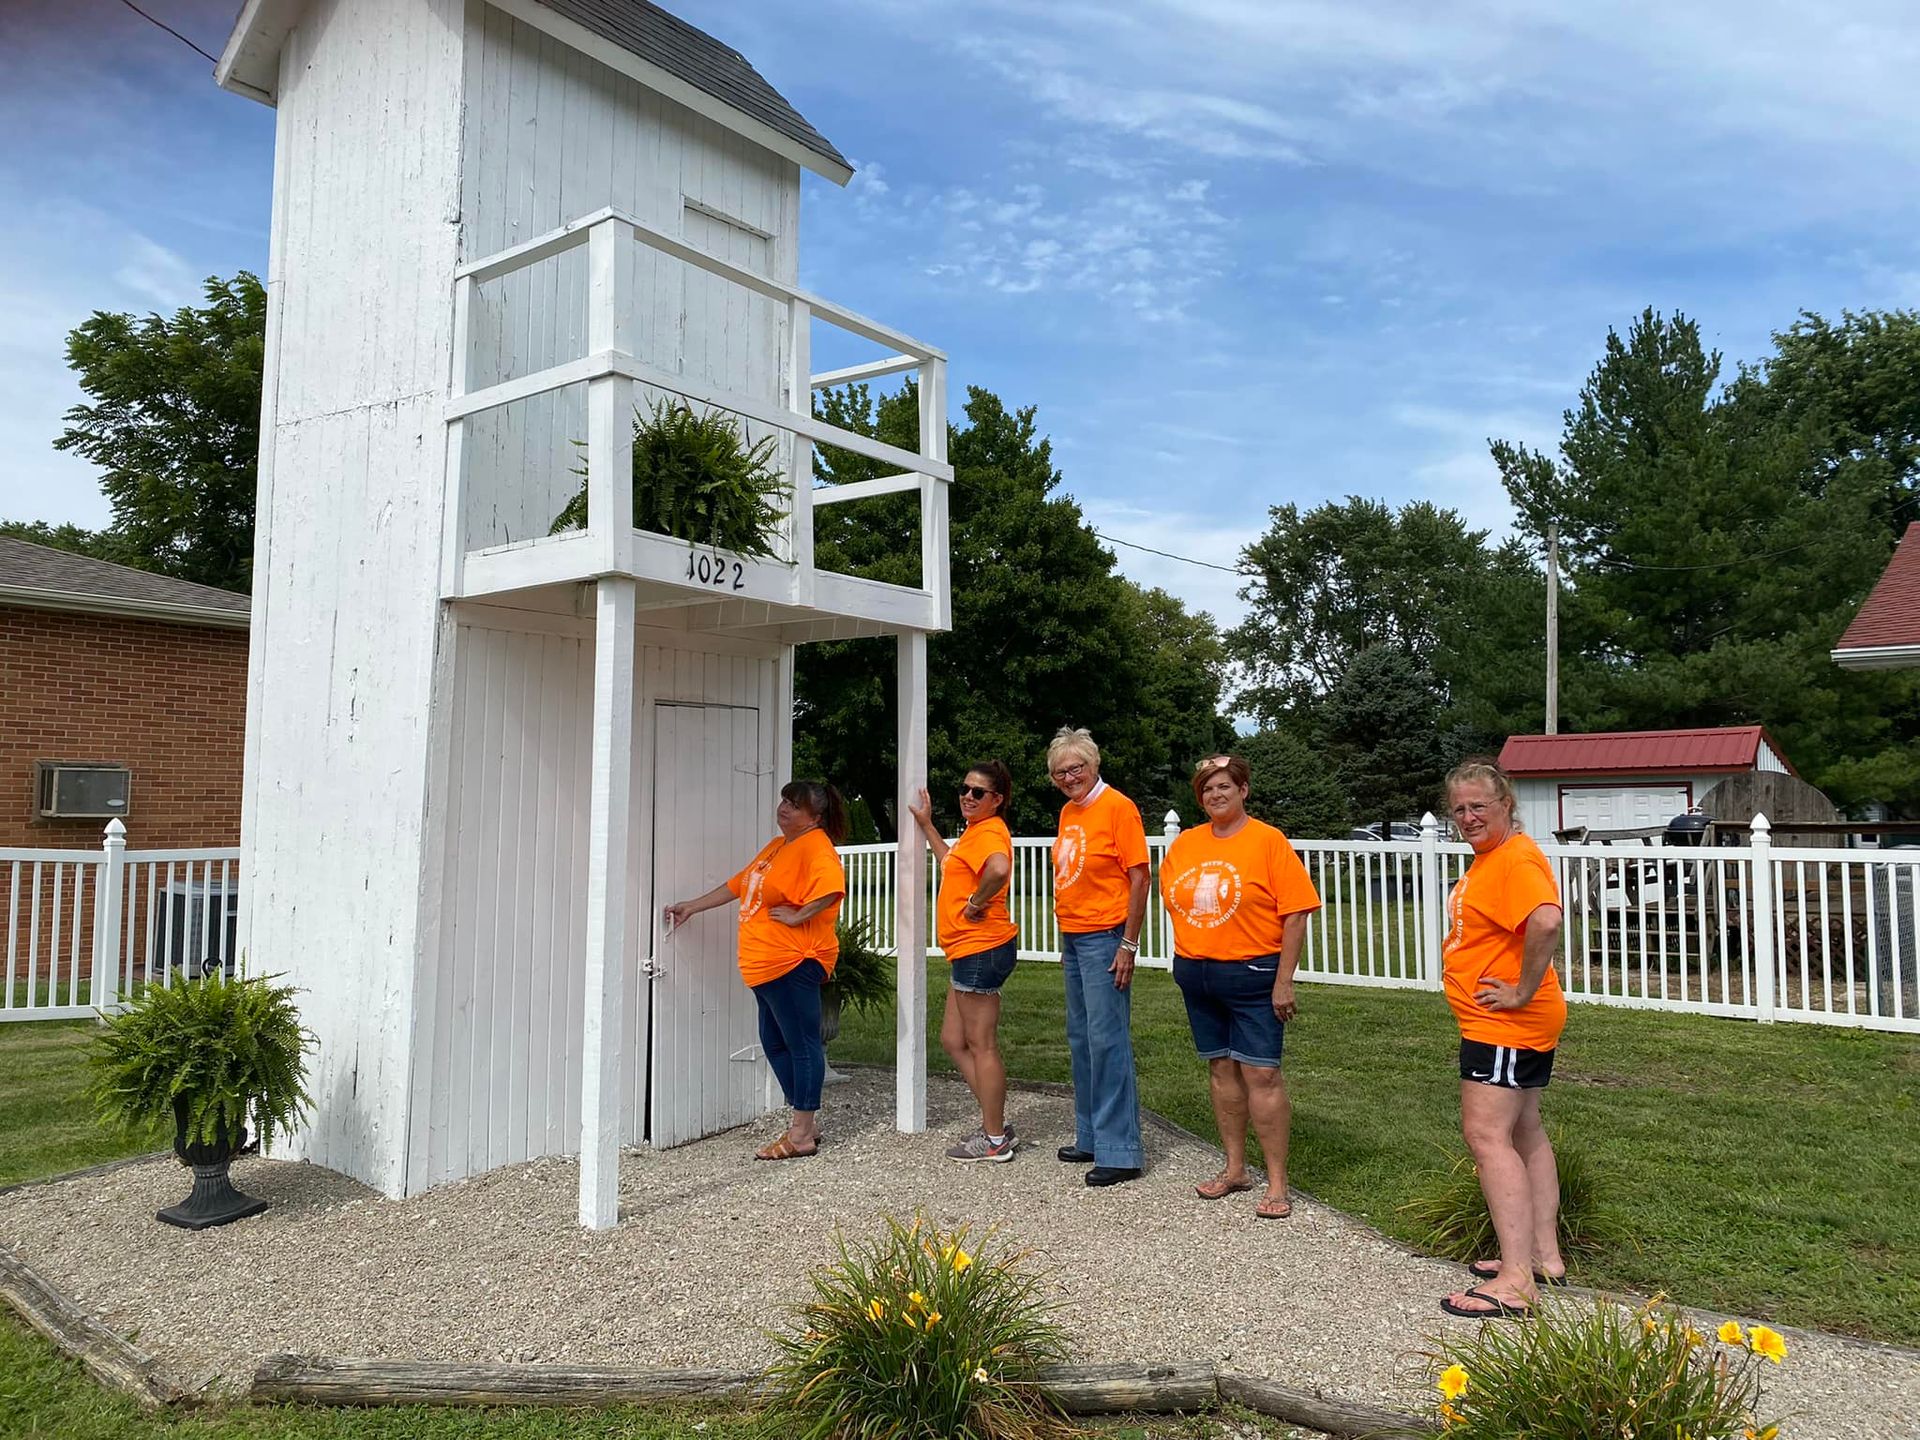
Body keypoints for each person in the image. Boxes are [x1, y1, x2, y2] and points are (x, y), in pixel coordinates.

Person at [1160, 754, 1320, 1220]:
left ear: (1243, 790)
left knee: (1262, 1075)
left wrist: (1283, 980)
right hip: (1198, 974)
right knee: (1221, 1070)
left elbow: (1295, 913)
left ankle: (1277, 1182)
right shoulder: (1186, 844)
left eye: (1224, 786)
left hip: (1254, 975)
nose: (1216, 795)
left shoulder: (1268, 841)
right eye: (1207, 789)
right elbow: (1173, 897)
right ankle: (1234, 1169)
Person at [1437, 758, 1568, 1320]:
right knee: (1523, 1129)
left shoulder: (1514, 858)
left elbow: (1546, 921)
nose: (1468, 817)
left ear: (1506, 805)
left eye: (1478, 806)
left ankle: (1516, 1280)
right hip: (1510, 1024)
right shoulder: (1495, 857)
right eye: (1459, 810)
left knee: (1487, 1136)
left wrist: (1521, 990)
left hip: (1505, 1025)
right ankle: (1542, 1256)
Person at [662, 780, 848, 1161]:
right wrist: (692, 906)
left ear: (815, 817)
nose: (784, 808)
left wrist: (798, 916)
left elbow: (832, 888)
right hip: (764, 966)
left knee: (802, 1044)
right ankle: (806, 1122)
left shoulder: (816, 846)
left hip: (793, 961)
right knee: (774, 1043)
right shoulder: (779, 846)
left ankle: (801, 1134)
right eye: (784, 800)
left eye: (794, 805)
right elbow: (738, 885)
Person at [1047, 726, 1148, 1186]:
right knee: (1081, 1038)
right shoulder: (1069, 812)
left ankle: (1121, 1150)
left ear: (1094, 765)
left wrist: (1128, 943)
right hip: (1074, 935)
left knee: (1107, 1040)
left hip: (1106, 935)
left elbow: (1139, 877)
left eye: (1077, 768)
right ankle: (1090, 1135)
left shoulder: (1118, 807)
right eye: (1060, 773)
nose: (1069, 778)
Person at [907, 760, 1020, 1162]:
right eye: (964, 789)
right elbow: (949, 863)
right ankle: (996, 1123)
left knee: (981, 1045)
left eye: (978, 792)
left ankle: (994, 1140)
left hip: (980, 949)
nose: (968, 797)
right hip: (968, 951)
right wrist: (927, 825)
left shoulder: (990, 831)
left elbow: (999, 869)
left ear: (997, 799)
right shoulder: (974, 832)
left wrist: (975, 902)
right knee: (953, 1041)